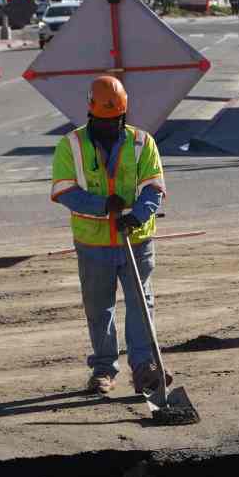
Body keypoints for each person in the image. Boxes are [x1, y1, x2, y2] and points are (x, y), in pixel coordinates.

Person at [48, 75, 167, 396]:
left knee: (142, 304)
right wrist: (103, 206)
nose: (109, 126)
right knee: (99, 310)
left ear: (124, 115)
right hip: (93, 244)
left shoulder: (143, 142)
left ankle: (144, 367)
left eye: (114, 120)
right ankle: (103, 369)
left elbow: (154, 187)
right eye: (102, 120)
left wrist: (136, 216)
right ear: (90, 114)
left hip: (136, 240)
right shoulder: (70, 145)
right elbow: (65, 191)